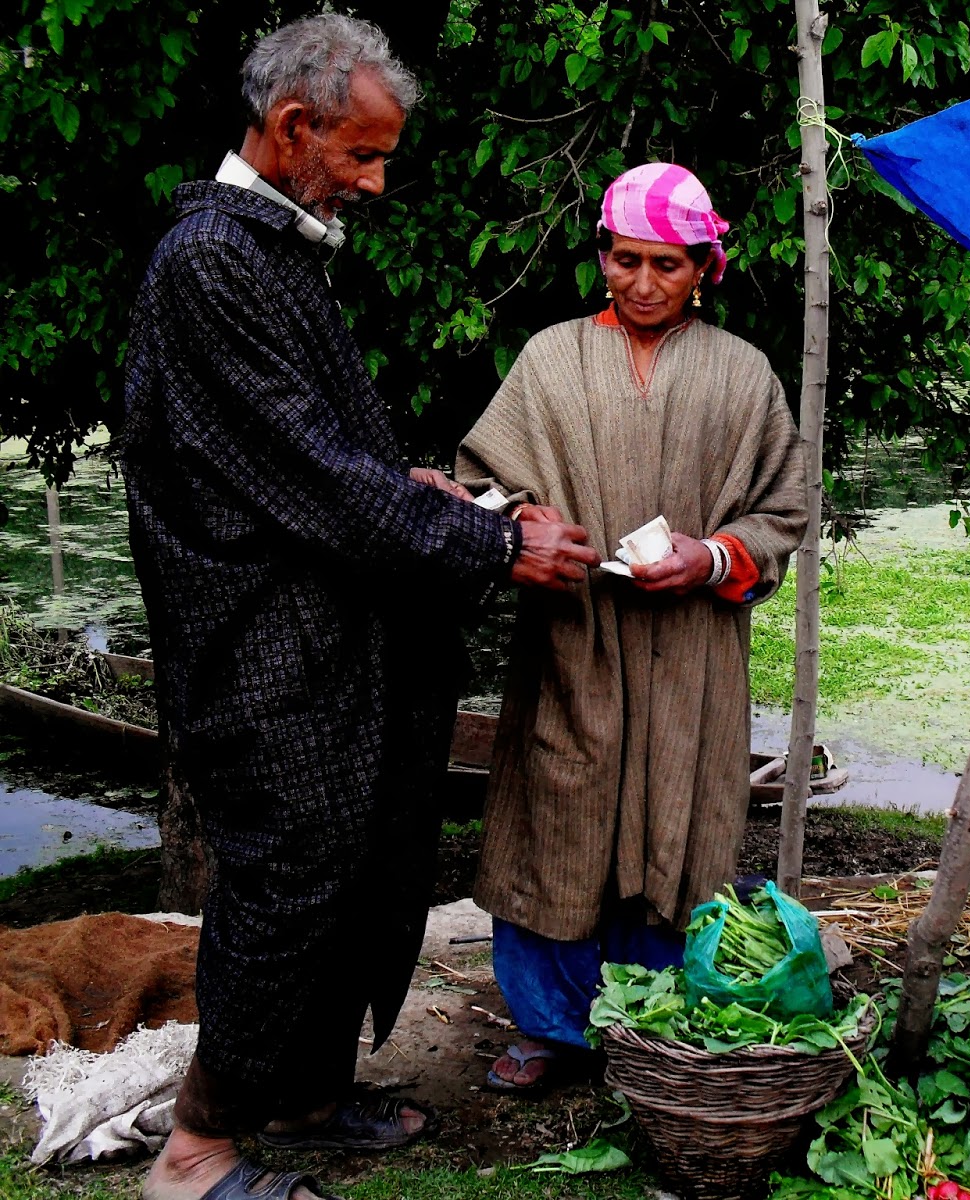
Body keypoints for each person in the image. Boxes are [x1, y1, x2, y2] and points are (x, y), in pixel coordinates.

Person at [122, 16, 599, 1200]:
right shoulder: (209, 264)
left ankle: (301, 1093)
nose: (378, 183)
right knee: (291, 883)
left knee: (356, 872)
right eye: (364, 155)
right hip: (263, 654)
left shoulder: (276, 248)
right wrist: (494, 541)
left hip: (331, 644)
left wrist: (411, 487)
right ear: (293, 130)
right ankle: (195, 1152)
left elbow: (311, 457)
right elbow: (312, 481)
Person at [456, 162, 808, 1091]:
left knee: (677, 823)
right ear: (601, 256)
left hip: (694, 650)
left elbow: (782, 511)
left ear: (704, 269)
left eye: (667, 265)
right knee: (554, 824)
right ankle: (549, 1027)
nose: (643, 283)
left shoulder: (742, 375)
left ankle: (651, 1022)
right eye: (624, 260)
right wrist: (522, 524)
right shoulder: (550, 359)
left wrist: (714, 555)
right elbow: (486, 478)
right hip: (571, 642)